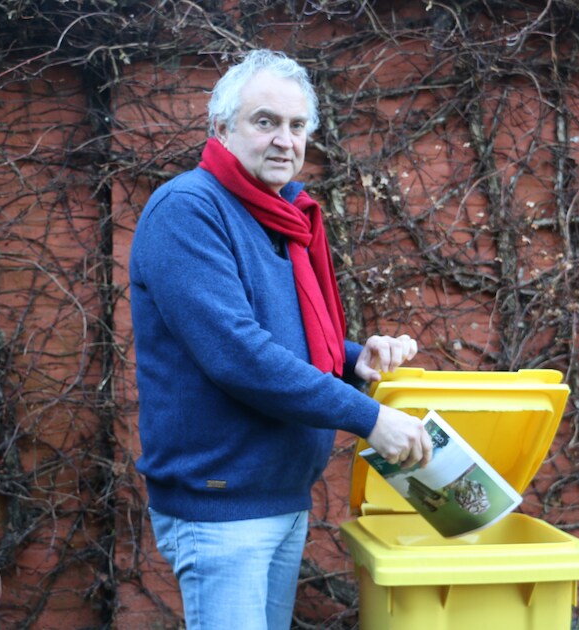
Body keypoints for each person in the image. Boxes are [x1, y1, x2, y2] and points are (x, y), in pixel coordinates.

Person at [128, 49, 433, 630]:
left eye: (297, 127)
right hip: (221, 504)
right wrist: (368, 418)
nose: (283, 140)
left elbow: (285, 341)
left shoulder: (284, 215)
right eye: (264, 121)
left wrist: (353, 360)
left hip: (282, 496)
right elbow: (238, 355)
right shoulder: (188, 210)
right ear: (220, 127)